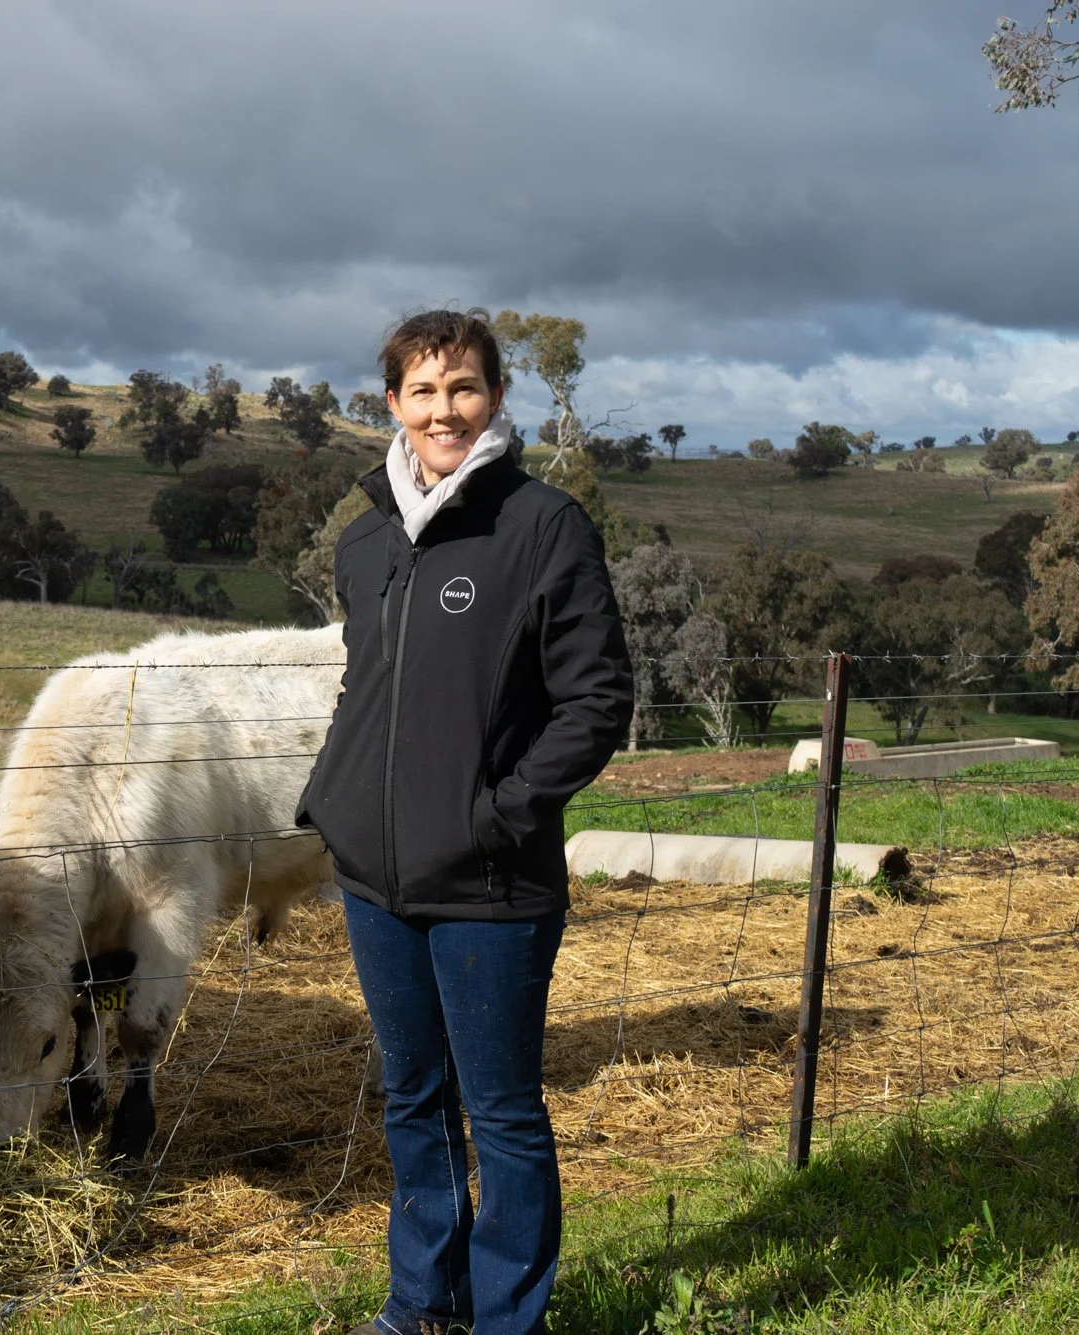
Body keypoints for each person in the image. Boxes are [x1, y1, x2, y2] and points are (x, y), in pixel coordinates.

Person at [296, 308, 632, 1335]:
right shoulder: (364, 541)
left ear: (493, 399)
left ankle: (504, 1321)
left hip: (491, 883)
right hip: (374, 879)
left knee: (503, 1116)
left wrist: (500, 815)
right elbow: (373, 686)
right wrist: (339, 803)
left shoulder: (539, 526)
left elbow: (595, 700)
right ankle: (418, 1304)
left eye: (464, 388)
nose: (444, 409)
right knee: (411, 1101)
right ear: (391, 404)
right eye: (423, 390)